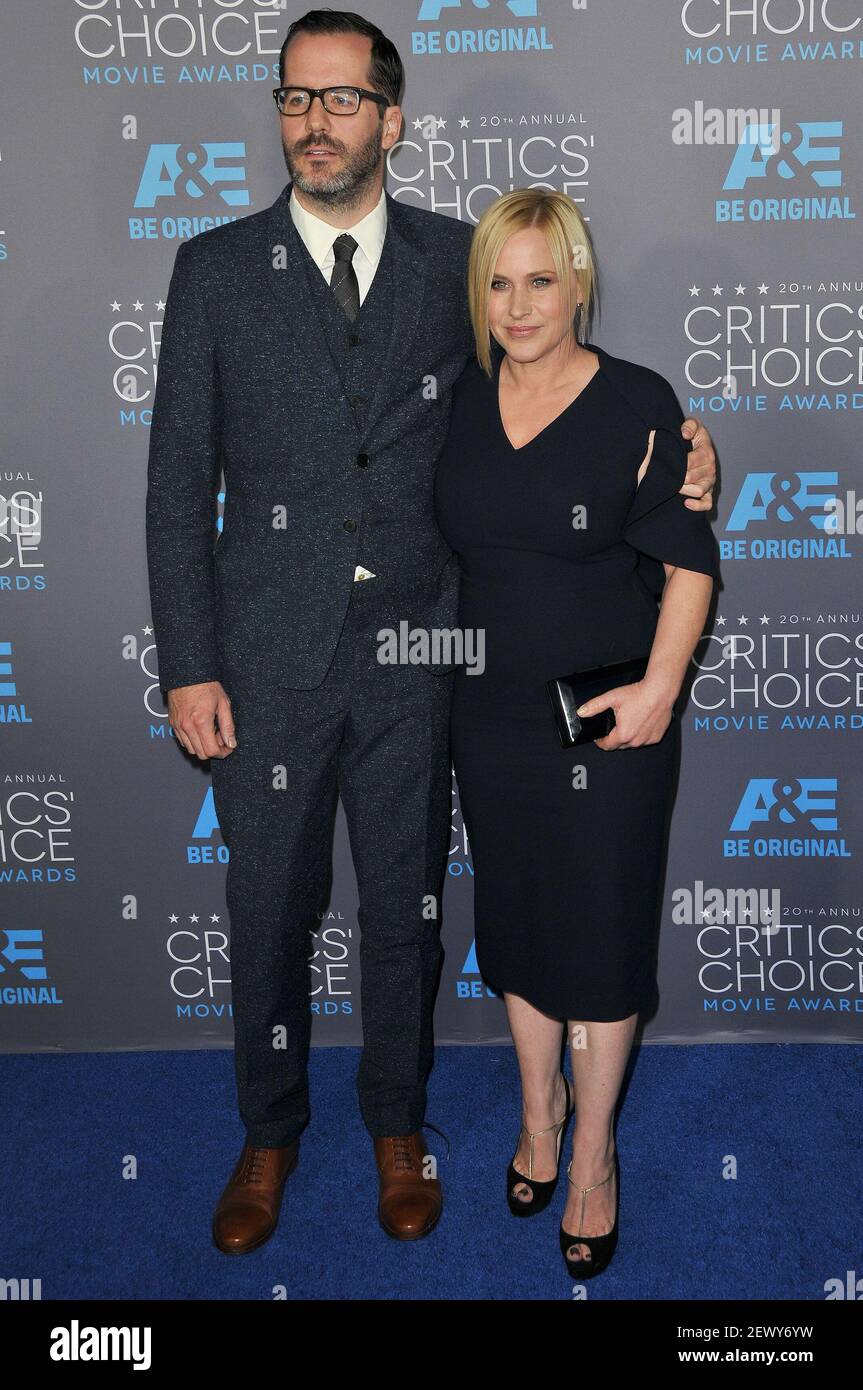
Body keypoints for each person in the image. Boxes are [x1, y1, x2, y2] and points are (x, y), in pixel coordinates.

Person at [145, 11, 718, 1256]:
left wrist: (683, 462)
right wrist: (188, 660)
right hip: (266, 659)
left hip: (425, 663)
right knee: (267, 910)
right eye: (295, 98)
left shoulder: (463, 267)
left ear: (390, 122)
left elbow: (568, 384)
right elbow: (177, 487)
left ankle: (399, 1128)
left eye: (342, 101)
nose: (315, 122)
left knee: (404, 911)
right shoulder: (212, 270)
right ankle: (269, 1132)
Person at [433, 188, 720, 1279]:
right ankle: (537, 1116)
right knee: (513, 924)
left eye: (540, 279)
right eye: (498, 282)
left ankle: (591, 1156)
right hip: (488, 713)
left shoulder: (637, 401)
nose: (518, 304)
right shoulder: (456, 398)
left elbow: (688, 558)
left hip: (608, 718)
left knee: (596, 941)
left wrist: (657, 689)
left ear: (579, 283)